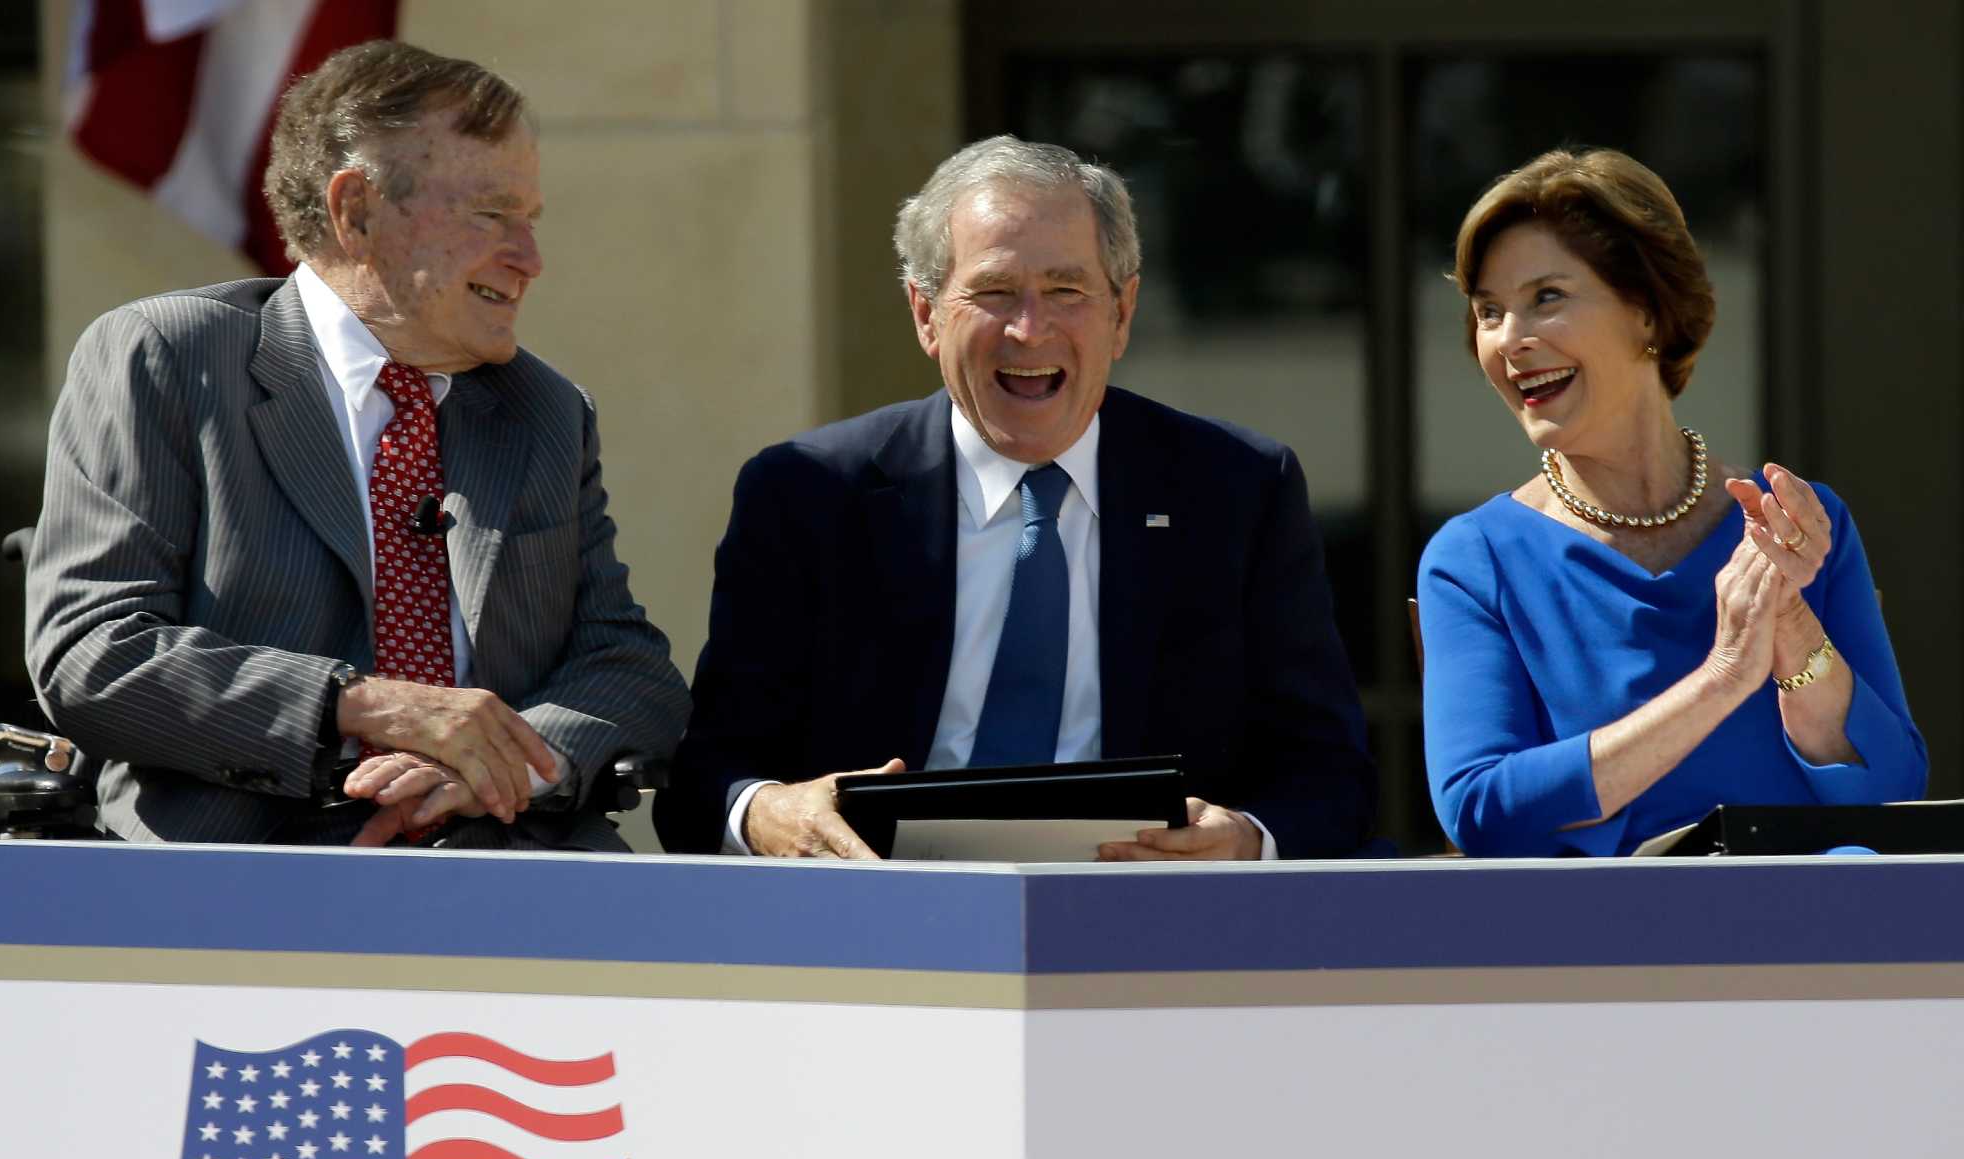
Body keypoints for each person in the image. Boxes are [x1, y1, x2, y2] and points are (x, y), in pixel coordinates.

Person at [27, 41, 689, 849]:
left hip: (508, 872)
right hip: (245, 876)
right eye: (491, 215)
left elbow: (627, 667)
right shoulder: (172, 359)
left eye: (530, 220)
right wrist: (370, 706)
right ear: (357, 213)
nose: (530, 259)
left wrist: (500, 766)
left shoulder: (543, 410)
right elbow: (93, 653)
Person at [653, 136, 1374, 861]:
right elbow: (706, 779)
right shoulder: (808, 494)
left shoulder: (1236, 491)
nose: (1030, 330)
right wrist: (770, 812)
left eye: (1066, 291)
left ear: (1122, 313)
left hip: (1147, 906)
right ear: (926, 314)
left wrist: (1244, 840)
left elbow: (1329, 774)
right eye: (994, 292)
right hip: (885, 904)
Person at [1418, 148, 1925, 857]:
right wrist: (1721, 679)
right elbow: (1481, 809)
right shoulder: (1476, 560)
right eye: (1489, 312)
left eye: (1547, 298)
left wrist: (1790, 628)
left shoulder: (1795, 523)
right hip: (1608, 927)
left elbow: (1892, 791)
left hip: (1808, 919)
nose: (1509, 340)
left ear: (1648, 312)